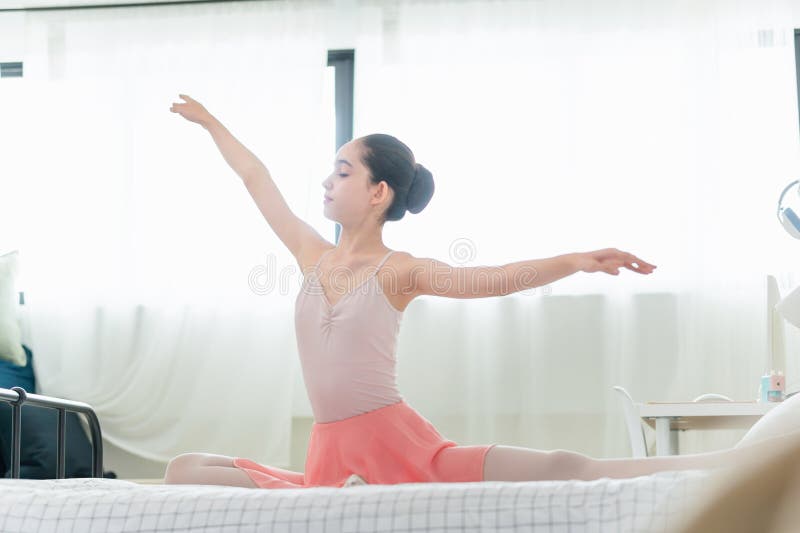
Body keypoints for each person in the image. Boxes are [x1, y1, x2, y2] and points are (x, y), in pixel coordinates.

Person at [164, 94, 800, 489]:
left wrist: (576, 260)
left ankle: (736, 464)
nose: (326, 182)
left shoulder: (400, 270)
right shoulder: (312, 255)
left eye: (342, 170)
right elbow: (256, 178)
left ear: (379, 191)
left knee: (565, 468)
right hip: (333, 454)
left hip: (398, 444)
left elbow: (494, 280)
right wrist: (210, 121)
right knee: (181, 469)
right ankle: (328, 483)